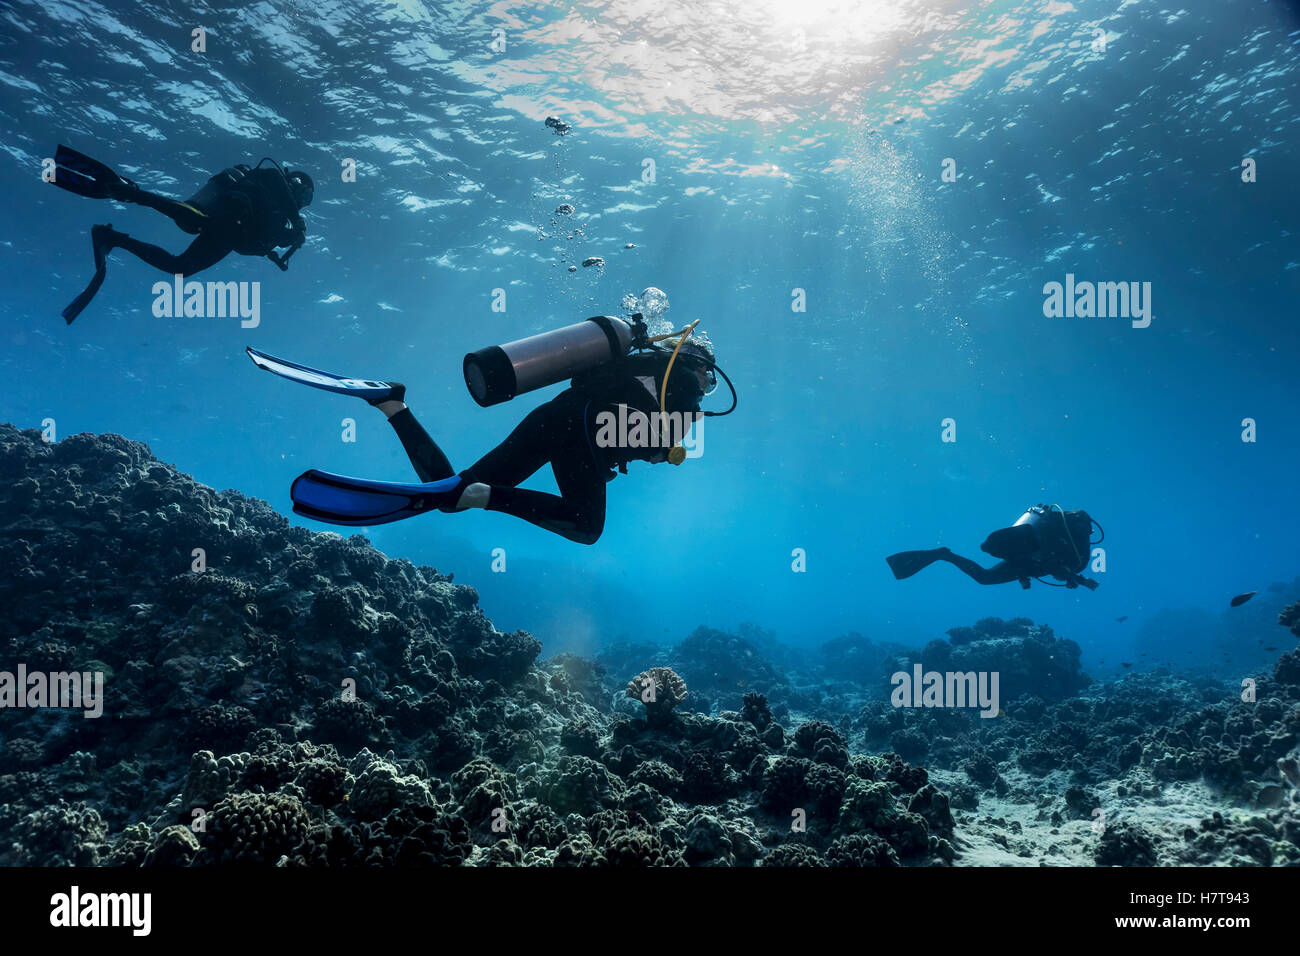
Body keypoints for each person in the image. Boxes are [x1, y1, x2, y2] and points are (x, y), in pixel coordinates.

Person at [247, 330, 730, 544]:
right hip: (579, 437)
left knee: (448, 494)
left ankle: (391, 403)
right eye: (709, 379)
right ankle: (486, 496)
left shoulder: (634, 365)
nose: (708, 388)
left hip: (554, 418)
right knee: (586, 527)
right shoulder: (684, 386)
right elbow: (654, 442)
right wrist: (672, 445)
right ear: (699, 366)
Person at [49, 145, 312, 322]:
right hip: (228, 210)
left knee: (180, 269)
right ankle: (129, 192)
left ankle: (113, 238)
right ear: (297, 186)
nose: (303, 202)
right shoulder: (272, 179)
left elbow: (247, 246)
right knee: (192, 219)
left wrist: (285, 241)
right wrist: (297, 221)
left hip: (227, 236)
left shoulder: (281, 219)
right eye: (305, 195)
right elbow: (276, 187)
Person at [887, 504, 1101, 590]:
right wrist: (1076, 579)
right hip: (1027, 554)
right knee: (985, 578)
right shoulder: (1073, 553)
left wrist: (1075, 578)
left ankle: (944, 555)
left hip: (1023, 551)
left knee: (985, 578)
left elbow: (1053, 565)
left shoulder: (1061, 538)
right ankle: (945, 556)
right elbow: (1059, 569)